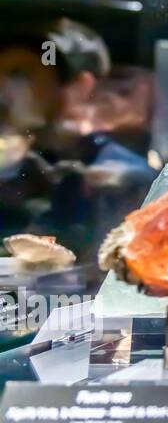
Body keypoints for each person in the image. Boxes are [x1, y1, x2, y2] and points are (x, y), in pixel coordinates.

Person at [0, 19, 154, 263]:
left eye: (20, 75)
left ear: (81, 86)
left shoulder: (122, 178)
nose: (3, 87)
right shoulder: (19, 167)